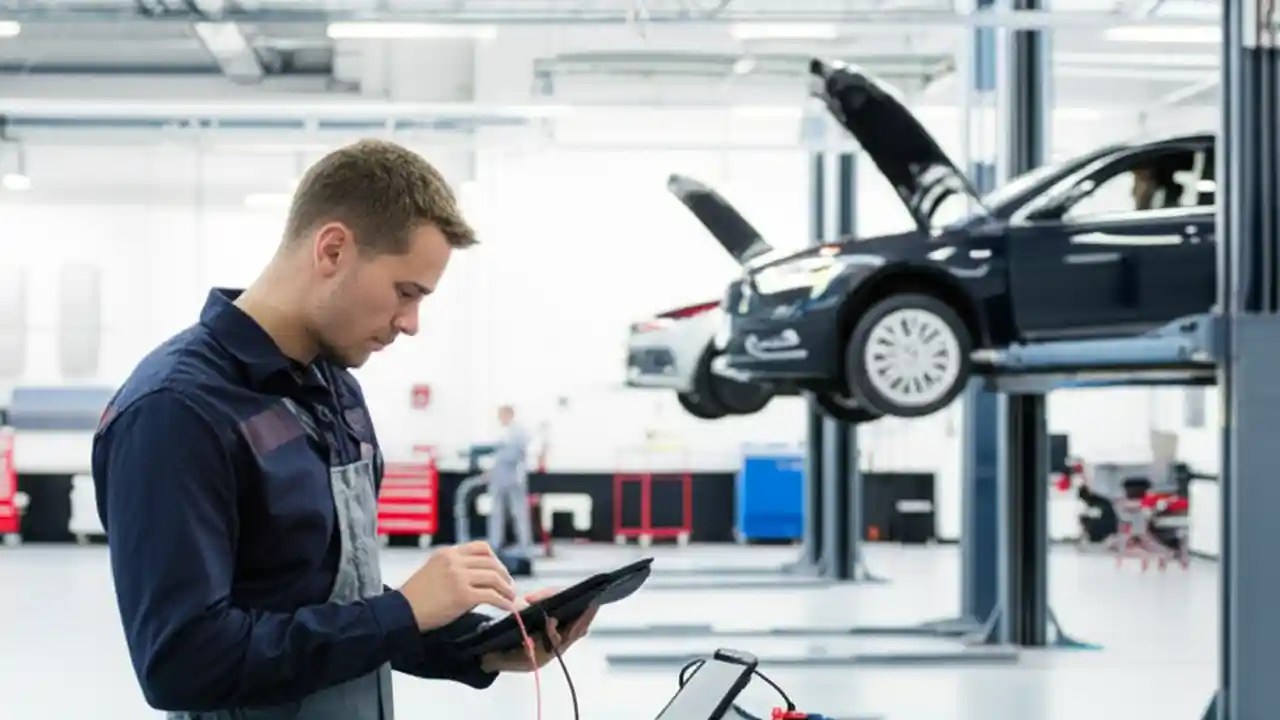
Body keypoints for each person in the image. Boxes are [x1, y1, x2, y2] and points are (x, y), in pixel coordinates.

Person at [91, 139, 597, 719]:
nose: (410, 323)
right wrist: (403, 612)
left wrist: (478, 648)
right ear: (332, 249)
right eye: (405, 293)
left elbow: (324, 601)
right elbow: (182, 662)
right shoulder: (176, 411)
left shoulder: (335, 388)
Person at [486, 405, 535, 558]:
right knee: (497, 511)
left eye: (502, 415)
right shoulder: (505, 432)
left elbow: (513, 454)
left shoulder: (518, 432)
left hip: (513, 476)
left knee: (518, 512)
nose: (500, 419)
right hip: (501, 476)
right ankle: (495, 544)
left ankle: (524, 546)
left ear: (508, 414)